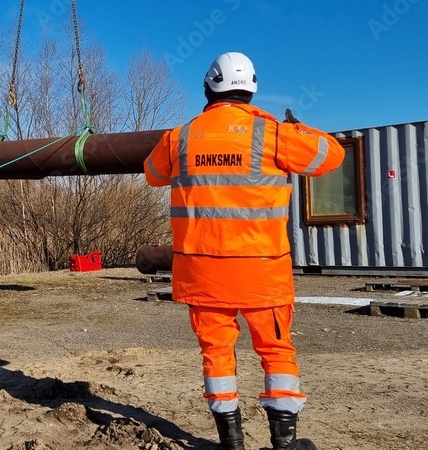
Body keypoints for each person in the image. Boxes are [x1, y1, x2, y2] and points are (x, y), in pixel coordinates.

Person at [143, 52, 344, 450]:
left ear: (207, 86)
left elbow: (152, 174)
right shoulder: (271, 135)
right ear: (252, 88)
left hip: (202, 272)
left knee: (216, 353)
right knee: (275, 350)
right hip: (261, 273)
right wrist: (294, 128)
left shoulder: (180, 137)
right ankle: (284, 443)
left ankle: (231, 443)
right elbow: (331, 155)